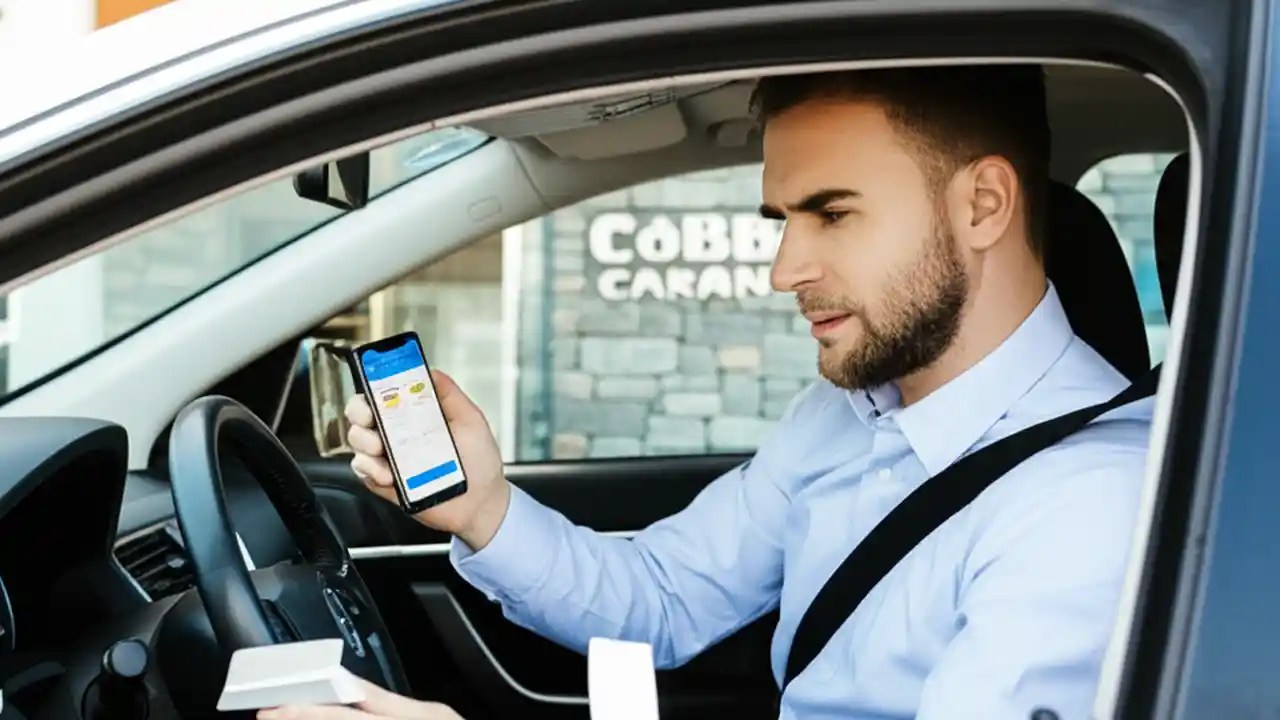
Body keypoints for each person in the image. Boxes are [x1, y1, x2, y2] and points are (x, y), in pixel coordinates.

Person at [266, 65, 1153, 720]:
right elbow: (666, 600)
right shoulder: (847, 415)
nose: (783, 269)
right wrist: (480, 508)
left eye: (832, 213)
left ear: (984, 205)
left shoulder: (1088, 511)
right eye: (783, 221)